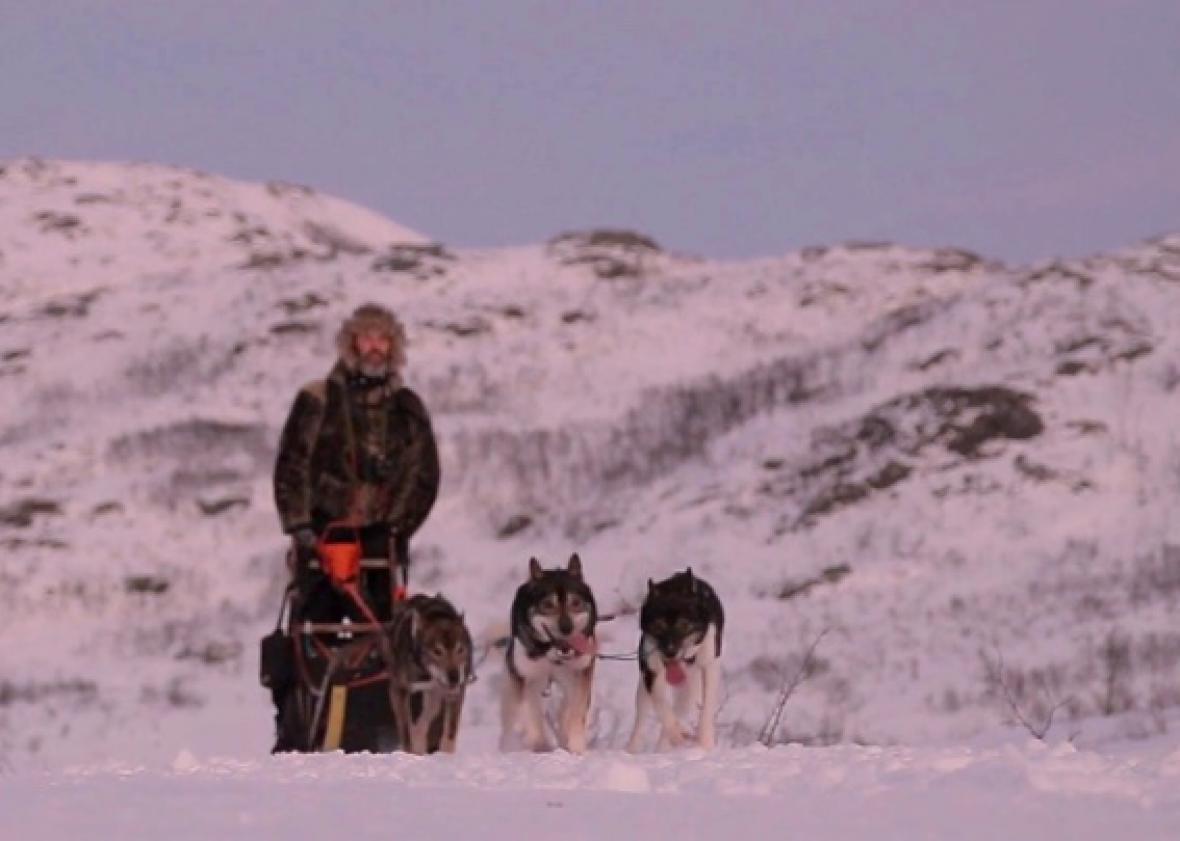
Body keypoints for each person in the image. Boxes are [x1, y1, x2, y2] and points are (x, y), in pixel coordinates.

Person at [269, 302, 440, 750]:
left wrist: (398, 527)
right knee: (309, 636)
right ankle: (297, 730)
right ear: (350, 344)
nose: (374, 348)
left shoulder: (407, 408)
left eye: (383, 339)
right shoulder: (318, 399)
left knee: (387, 640)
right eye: (366, 338)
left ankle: (383, 731)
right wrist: (301, 527)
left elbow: (423, 474)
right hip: (323, 538)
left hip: (383, 542)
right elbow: (292, 465)